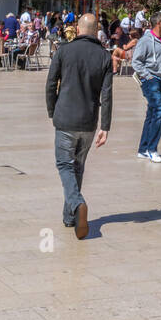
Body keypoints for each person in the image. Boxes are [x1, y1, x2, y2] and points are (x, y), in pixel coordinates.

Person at [45, 12, 113, 238]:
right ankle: (70, 217)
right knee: (77, 167)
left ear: (78, 28)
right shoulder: (104, 56)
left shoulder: (64, 50)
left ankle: (77, 203)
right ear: (95, 31)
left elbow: (50, 84)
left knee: (65, 165)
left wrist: (53, 111)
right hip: (89, 121)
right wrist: (105, 126)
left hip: (65, 119)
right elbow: (107, 94)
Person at [132, 11, 161, 161]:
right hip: (151, 79)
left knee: (152, 113)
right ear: (157, 23)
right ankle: (152, 149)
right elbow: (136, 61)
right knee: (159, 111)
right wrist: (147, 76)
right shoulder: (145, 40)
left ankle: (143, 148)